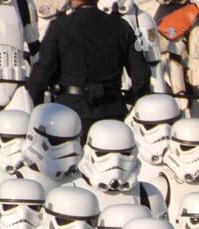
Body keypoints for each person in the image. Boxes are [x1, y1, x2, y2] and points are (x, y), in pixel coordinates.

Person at [25, 0, 151, 135]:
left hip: (68, 115)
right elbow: (142, 76)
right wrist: (127, 102)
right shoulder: (121, 26)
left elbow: (42, 73)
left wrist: (35, 105)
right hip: (112, 114)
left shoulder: (59, 27)